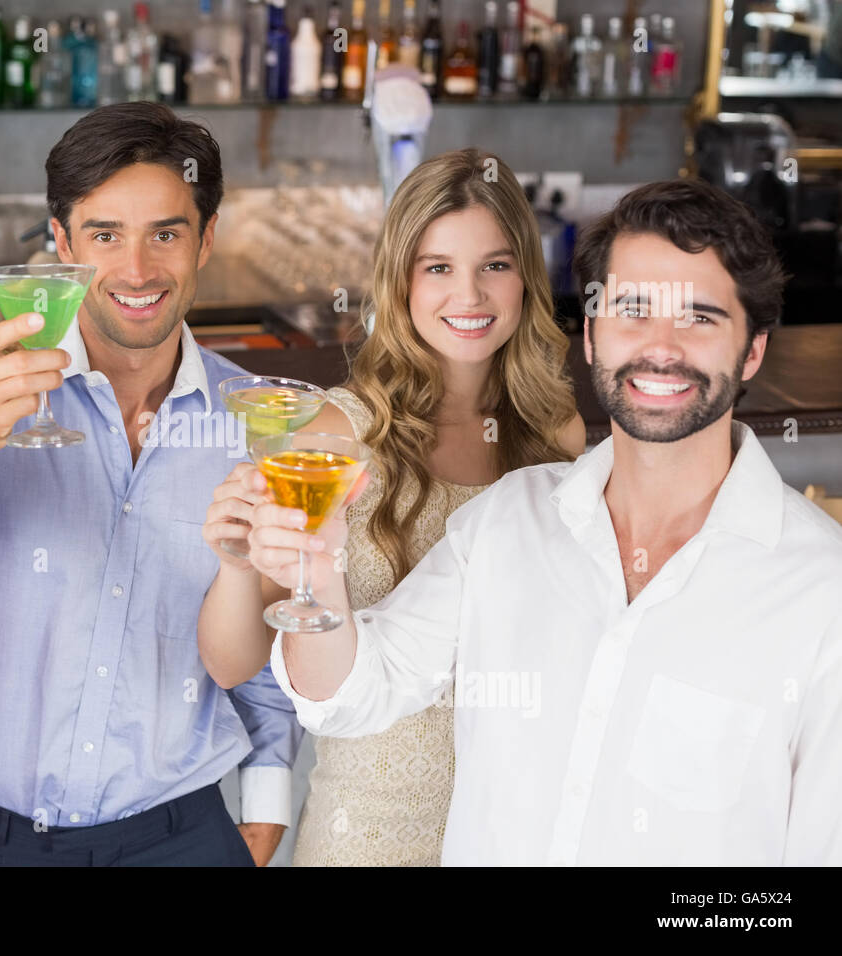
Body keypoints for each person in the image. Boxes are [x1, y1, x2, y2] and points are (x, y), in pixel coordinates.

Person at [248, 178, 842, 865]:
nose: (660, 346)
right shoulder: (506, 520)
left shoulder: (822, 594)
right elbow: (348, 695)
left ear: (753, 350)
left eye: (700, 317)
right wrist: (318, 567)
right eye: (633, 309)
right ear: (591, 335)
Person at [0, 102, 302, 867]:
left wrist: (267, 797)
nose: (138, 270)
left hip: (180, 834)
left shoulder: (252, 419)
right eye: (105, 234)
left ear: (207, 239)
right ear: (60, 243)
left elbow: (270, 623)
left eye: (167, 233)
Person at [197, 149, 584, 865]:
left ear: (526, 279)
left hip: (519, 832)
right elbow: (230, 664)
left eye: (494, 266)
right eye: (437, 267)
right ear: (399, 280)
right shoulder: (332, 438)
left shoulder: (556, 437)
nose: (468, 295)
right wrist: (234, 566)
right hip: (367, 835)